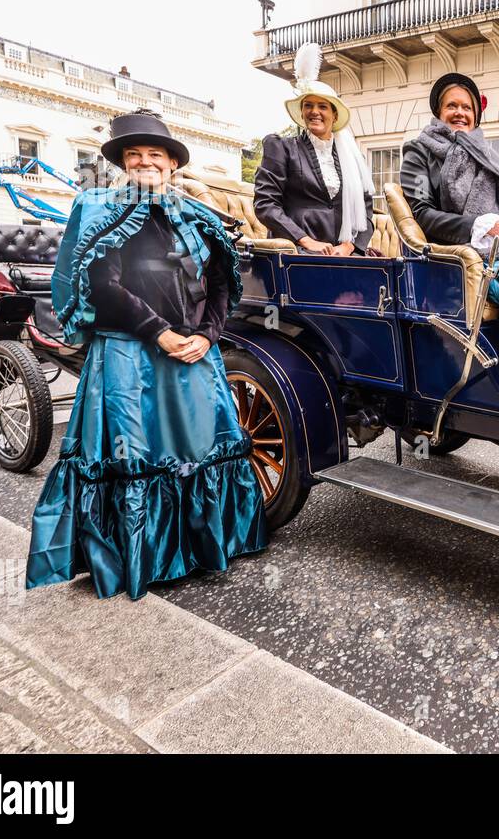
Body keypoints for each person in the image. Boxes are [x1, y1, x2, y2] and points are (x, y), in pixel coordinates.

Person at [27, 111, 266, 600]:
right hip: (128, 356)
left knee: (201, 448)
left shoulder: (198, 217)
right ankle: (141, 557)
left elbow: (221, 283)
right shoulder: (98, 210)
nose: (145, 163)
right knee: (134, 455)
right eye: (133, 156)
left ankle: (203, 548)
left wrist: (207, 334)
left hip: (194, 352)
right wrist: (159, 333)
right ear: (121, 164)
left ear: (173, 164)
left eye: (155, 155)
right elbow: (103, 284)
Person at [254, 43, 377, 256]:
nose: (314, 112)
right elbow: (266, 204)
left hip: (343, 251)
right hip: (296, 250)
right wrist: (305, 241)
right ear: (301, 113)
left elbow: (365, 211)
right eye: (308, 106)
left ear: (334, 115)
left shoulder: (351, 159)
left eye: (322, 106)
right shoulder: (282, 148)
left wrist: (349, 246)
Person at [400, 72, 499, 250]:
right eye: (451, 106)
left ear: (475, 117)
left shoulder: (490, 160)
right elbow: (422, 213)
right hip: (447, 259)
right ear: (439, 113)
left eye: (467, 108)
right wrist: (480, 225)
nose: (460, 113)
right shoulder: (418, 151)